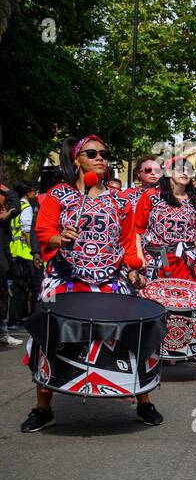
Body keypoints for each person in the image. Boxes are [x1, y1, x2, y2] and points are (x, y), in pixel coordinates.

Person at [21, 135, 161, 431]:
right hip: (66, 276)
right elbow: (44, 231)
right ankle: (43, 407)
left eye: (104, 154)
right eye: (92, 153)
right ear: (77, 160)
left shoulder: (120, 201)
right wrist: (61, 238)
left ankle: (143, 400)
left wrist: (134, 267)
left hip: (109, 277)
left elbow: (127, 242)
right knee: (46, 330)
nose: (100, 158)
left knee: (135, 328)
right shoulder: (57, 195)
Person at [133, 156, 196, 381]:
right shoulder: (151, 196)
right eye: (179, 168)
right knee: (153, 308)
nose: (184, 172)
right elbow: (137, 229)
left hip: (186, 261)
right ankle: (146, 361)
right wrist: (138, 258)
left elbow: (193, 234)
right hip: (156, 260)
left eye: (189, 169)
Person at [4, 182, 39, 345]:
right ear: (28, 193)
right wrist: (34, 252)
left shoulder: (16, 204)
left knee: (19, 287)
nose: (36, 193)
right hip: (23, 252)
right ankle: (15, 321)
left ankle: (14, 320)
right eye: (34, 191)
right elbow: (26, 231)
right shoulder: (25, 207)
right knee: (22, 288)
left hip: (13, 250)